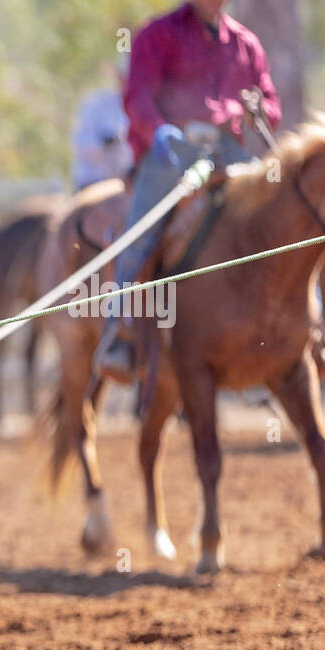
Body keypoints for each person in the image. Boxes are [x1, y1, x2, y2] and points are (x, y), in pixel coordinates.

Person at [93, 0, 280, 384]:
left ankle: (293, 333)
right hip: (170, 151)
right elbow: (138, 96)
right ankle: (120, 332)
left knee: (280, 221)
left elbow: (270, 102)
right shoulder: (157, 35)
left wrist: (258, 109)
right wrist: (159, 130)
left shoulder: (245, 44)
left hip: (229, 151)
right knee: (142, 232)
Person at [71, 56, 133, 193]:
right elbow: (83, 145)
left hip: (128, 184)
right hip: (92, 183)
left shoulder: (143, 106)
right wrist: (109, 142)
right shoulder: (95, 104)